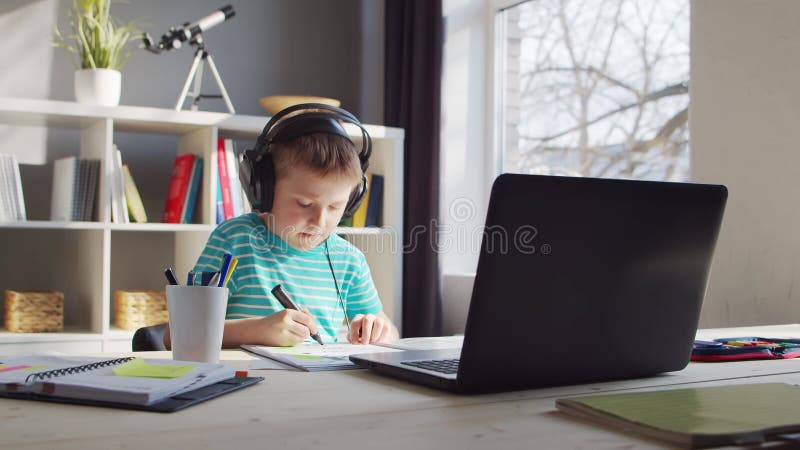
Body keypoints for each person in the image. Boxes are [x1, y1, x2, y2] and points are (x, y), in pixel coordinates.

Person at [164, 105, 399, 349]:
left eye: (334, 207)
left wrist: (377, 329)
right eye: (305, 203)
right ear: (263, 190)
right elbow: (176, 334)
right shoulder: (235, 240)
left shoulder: (349, 260)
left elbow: (391, 332)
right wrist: (256, 330)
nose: (319, 221)